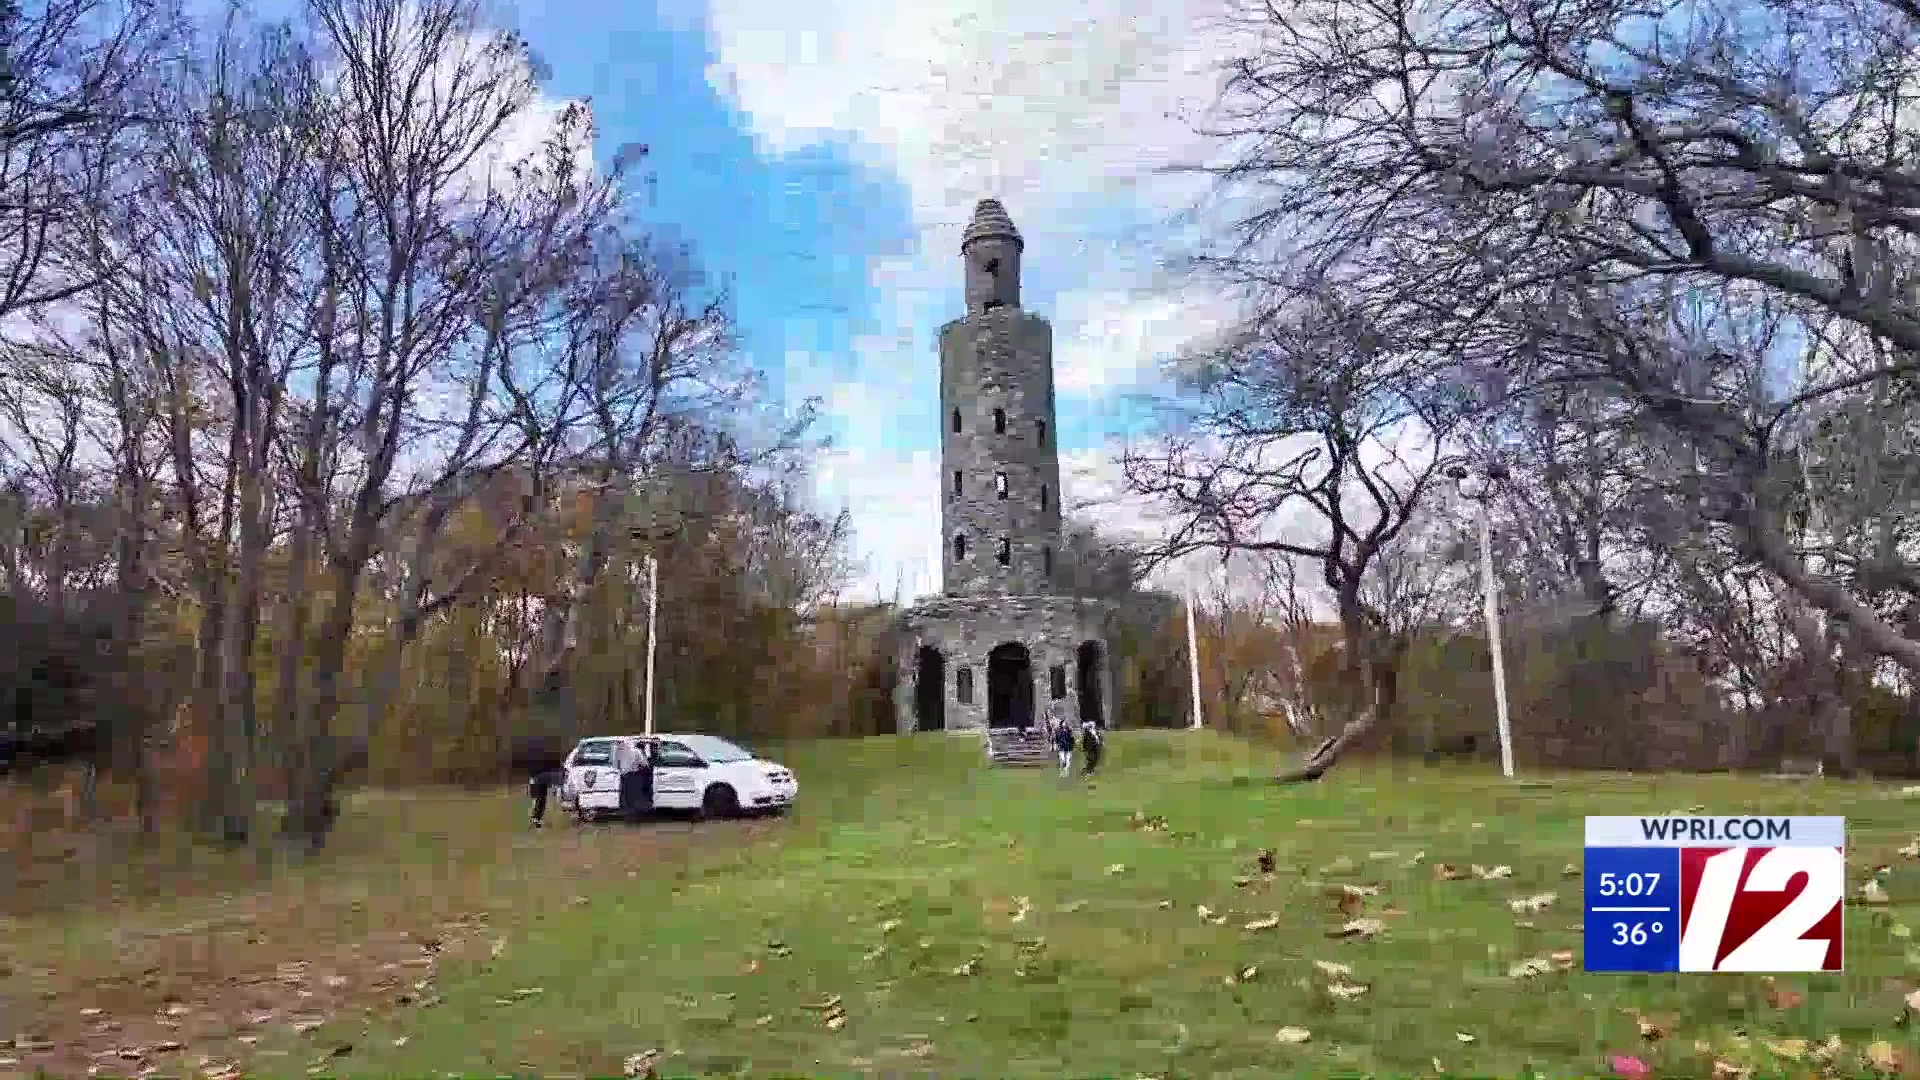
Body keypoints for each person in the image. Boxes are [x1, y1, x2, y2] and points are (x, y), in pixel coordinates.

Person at [1052, 712, 1076, 777]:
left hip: (1068, 747)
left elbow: (1072, 738)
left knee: (1067, 760)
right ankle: (1061, 770)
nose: (1064, 724)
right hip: (1061, 747)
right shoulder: (1058, 731)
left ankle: (1066, 771)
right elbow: (1056, 739)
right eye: (1064, 723)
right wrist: (1056, 745)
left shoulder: (1069, 730)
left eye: (1065, 723)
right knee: (1062, 759)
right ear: (1061, 724)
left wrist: (1072, 745)